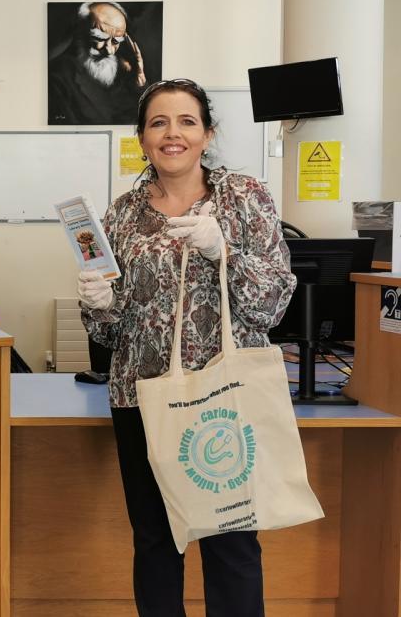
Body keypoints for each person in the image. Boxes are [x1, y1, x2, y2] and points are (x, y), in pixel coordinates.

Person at [77, 79, 297, 616]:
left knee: (232, 543)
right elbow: (107, 333)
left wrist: (225, 253)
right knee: (155, 542)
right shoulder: (122, 215)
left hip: (225, 396)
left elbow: (272, 305)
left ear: (207, 133)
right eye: (158, 123)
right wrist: (100, 301)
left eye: (186, 122)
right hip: (141, 399)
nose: (172, 134)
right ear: (142, 138)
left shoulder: (245, 197)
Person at [48, 1, 148, 125]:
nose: (109, 51)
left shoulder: (124, 72)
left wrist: (140, 80)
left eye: (116, 42)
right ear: (79, 32)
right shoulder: (57, 77)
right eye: (99, 38)